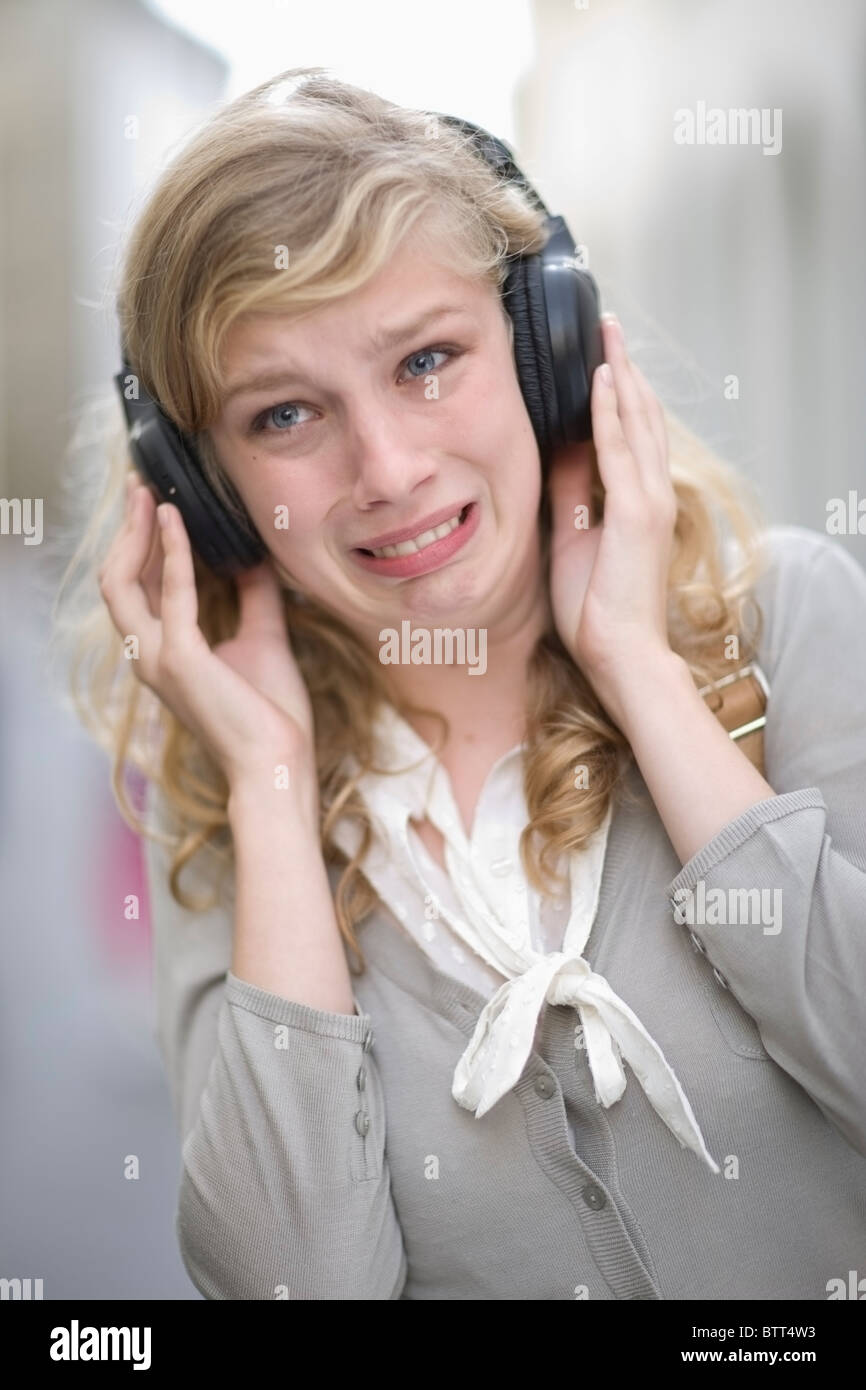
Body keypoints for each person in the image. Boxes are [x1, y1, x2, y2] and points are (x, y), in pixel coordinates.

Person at [57, 67, 866, 1300]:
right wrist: (273, 789)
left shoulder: (787, 617)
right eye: (284, 416)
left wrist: (643, 677)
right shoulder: (223, 803)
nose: (386, 466)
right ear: (205, 495)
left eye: (427, 358)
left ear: (544, 349)